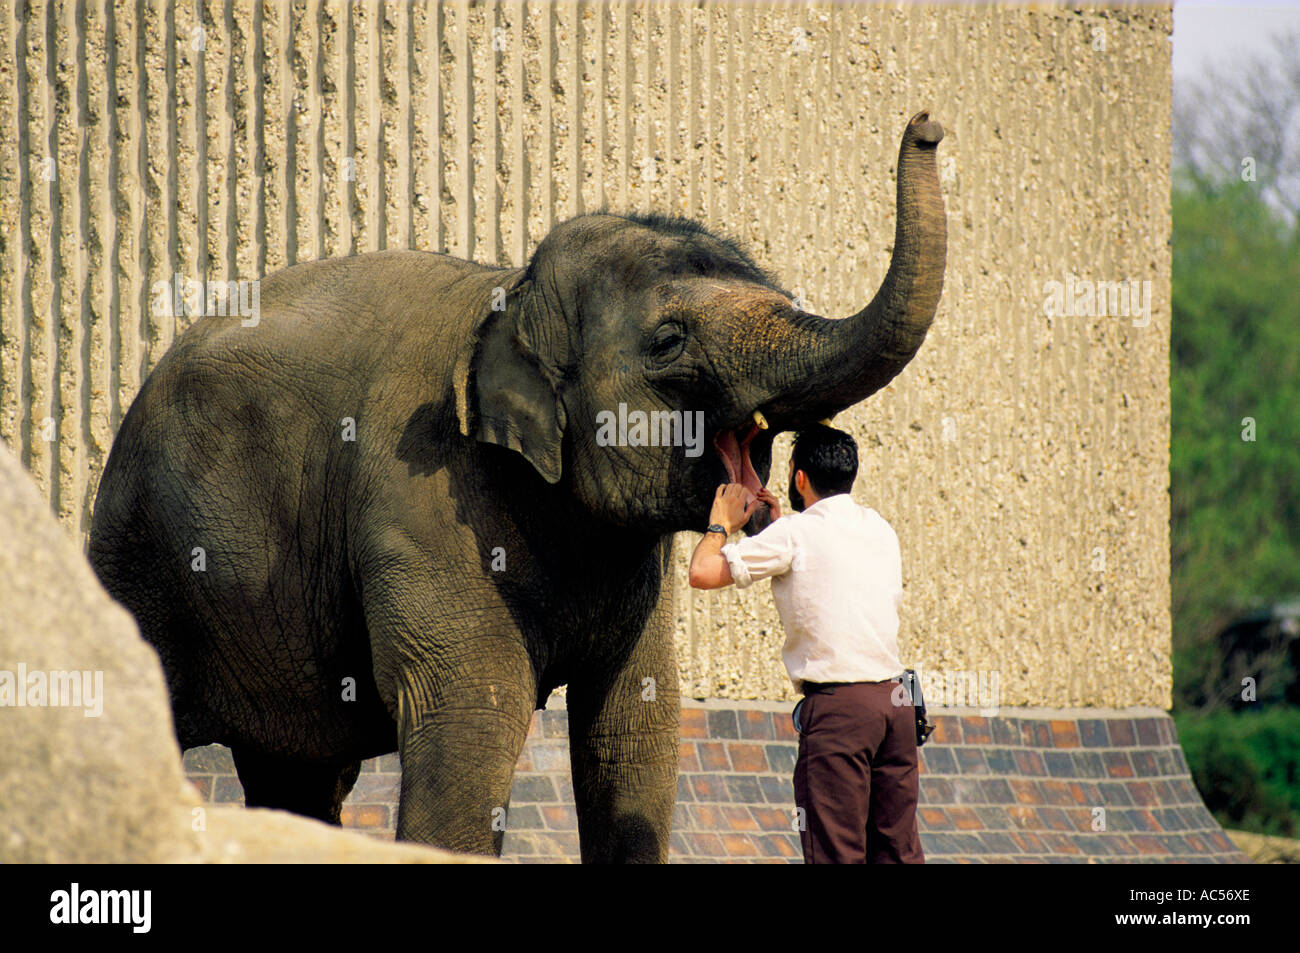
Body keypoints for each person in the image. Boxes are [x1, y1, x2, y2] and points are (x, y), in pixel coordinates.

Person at [687, 424, 924, 864]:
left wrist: (720, 523)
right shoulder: (878, 527)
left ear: (798, 478)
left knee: (836, 853)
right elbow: (826, 567)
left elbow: (701, 573)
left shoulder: (794, 535)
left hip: (841, 716)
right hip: (896, 709)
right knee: (898, 853)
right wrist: (779, 526)